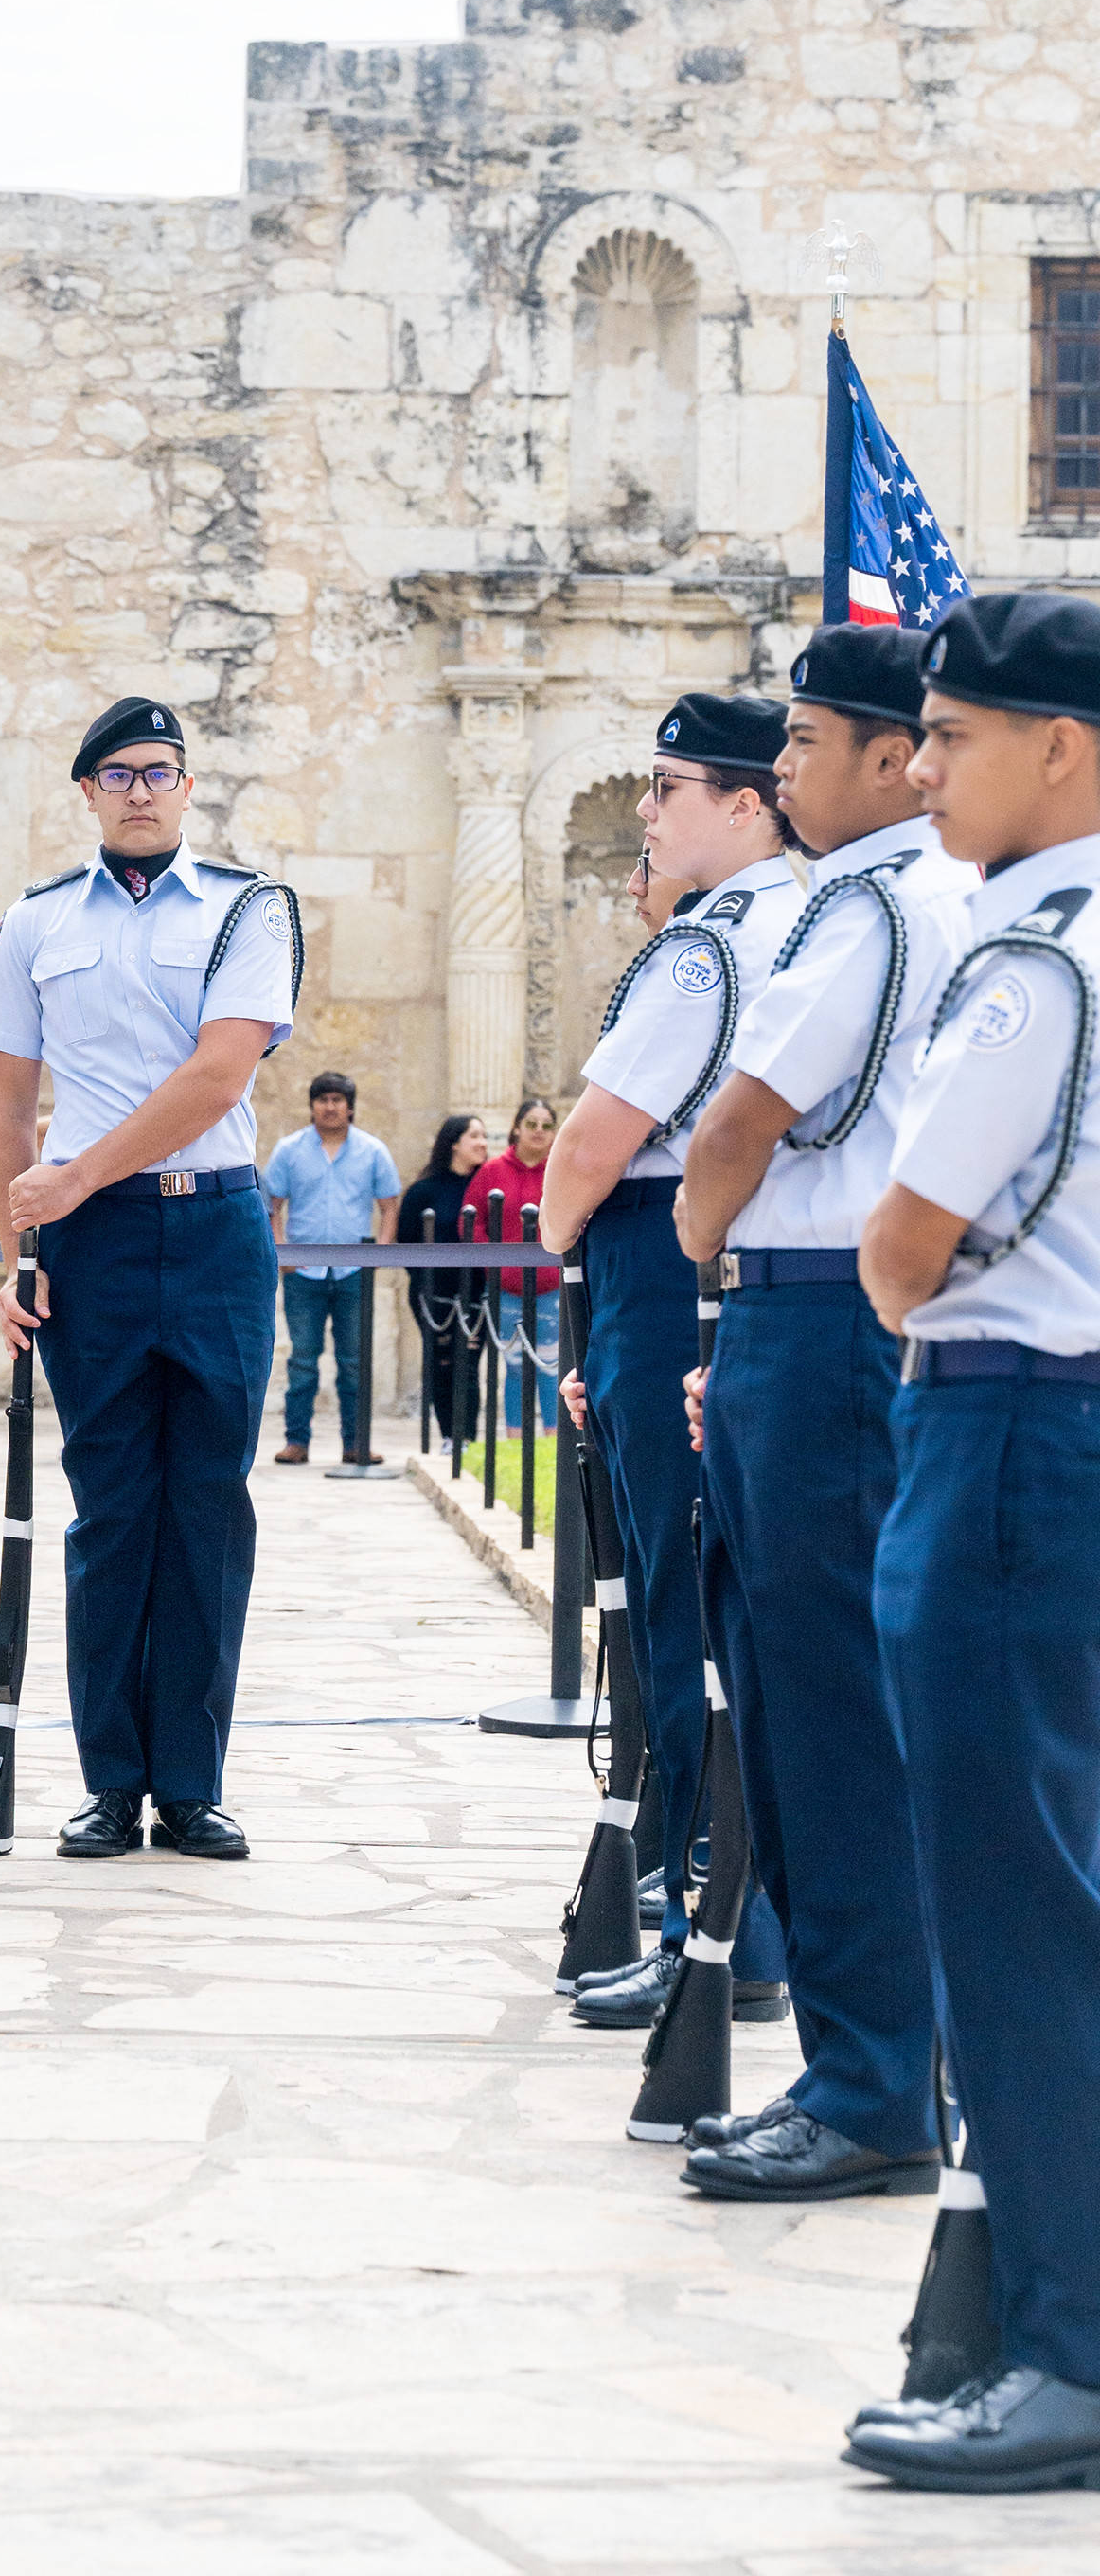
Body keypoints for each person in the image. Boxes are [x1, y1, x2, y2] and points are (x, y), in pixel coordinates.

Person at [842, 591, 1100, 2492]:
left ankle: (1068, 2352)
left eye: (952, 734)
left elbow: (901, 1242)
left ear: (1061, 747)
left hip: (1010, 1429)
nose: (922, 769)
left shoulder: (1036, 962)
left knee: (1016, 1917)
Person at [669, 623, 976, 2208]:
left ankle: (870, 2087)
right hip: (832, 1320)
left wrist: (697, 1245)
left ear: (887, 756)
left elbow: (741, 1121)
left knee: (824, 1709)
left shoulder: (870, 901)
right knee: (814, 1698)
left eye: (804, 741)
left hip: (820, 1319)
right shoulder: (933, 893)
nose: (782, 767)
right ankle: (873, 2064)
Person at [0, 693, 298, 1863]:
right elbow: (4, 1102)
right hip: (91, 1247)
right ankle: (111, 1781)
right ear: (88, 793)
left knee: (207, 1506)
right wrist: (18, 1255)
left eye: (161, 771)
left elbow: (218, 1078)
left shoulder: (251, 909)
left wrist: (75, 1175)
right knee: (110, 1509)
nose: (142, 791)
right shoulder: (37, 922)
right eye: (119, 774)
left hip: (214, 1228)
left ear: (188, 788)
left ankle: (192, 1785)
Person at [540, 690, 800, 2022]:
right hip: (729, 1256)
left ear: (745, 803)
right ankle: (720, 1885)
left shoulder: (706, 950)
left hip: (661, 1249)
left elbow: (595, 1140)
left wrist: (553, 1226)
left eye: (667, 787)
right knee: (715, 1583)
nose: (644, 811)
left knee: (676, 1583)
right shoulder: (802, 919)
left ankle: (705, 1894)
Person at [262, 1073, 399, 1465]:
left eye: (338, 1100)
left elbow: (389, 1206)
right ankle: (296, 1441)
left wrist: (379, 1256)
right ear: (312, 1106)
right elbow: (273, 1205)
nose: (330, 1107)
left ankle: (356, 1443)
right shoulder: (289, 1150)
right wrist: (282, 1253)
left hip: (354, 1272)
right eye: (322, 1099)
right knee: (303, 1360)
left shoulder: (373, 1151)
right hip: (303, 1273)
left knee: (354, 1362)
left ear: (350, 1107)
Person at [465, 1099, 560, 1434]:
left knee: (551, 1366)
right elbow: (471, 1220)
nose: (538, 1131)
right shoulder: (492, 1171)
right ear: (517, 1128)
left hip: (552, 1285)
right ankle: (515, 1440)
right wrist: (494, 1264)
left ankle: (552, 1442)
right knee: (515, 1367)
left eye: (547, 1125)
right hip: (506, 1287)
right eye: (531, 1123)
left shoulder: (559, 1171)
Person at [396, 1111, 488, 1443]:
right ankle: (449, 1437)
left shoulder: (486, 1185)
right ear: (453, 1144)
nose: (483, 1143)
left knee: (469, 1363)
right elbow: (406, 1240)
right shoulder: (424, 1191)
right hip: (433, 1291)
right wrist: (426, 1282)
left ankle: (469, 1441)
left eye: (484, 1136)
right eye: (474, 1136)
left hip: (476, 1290)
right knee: (442, 1361)